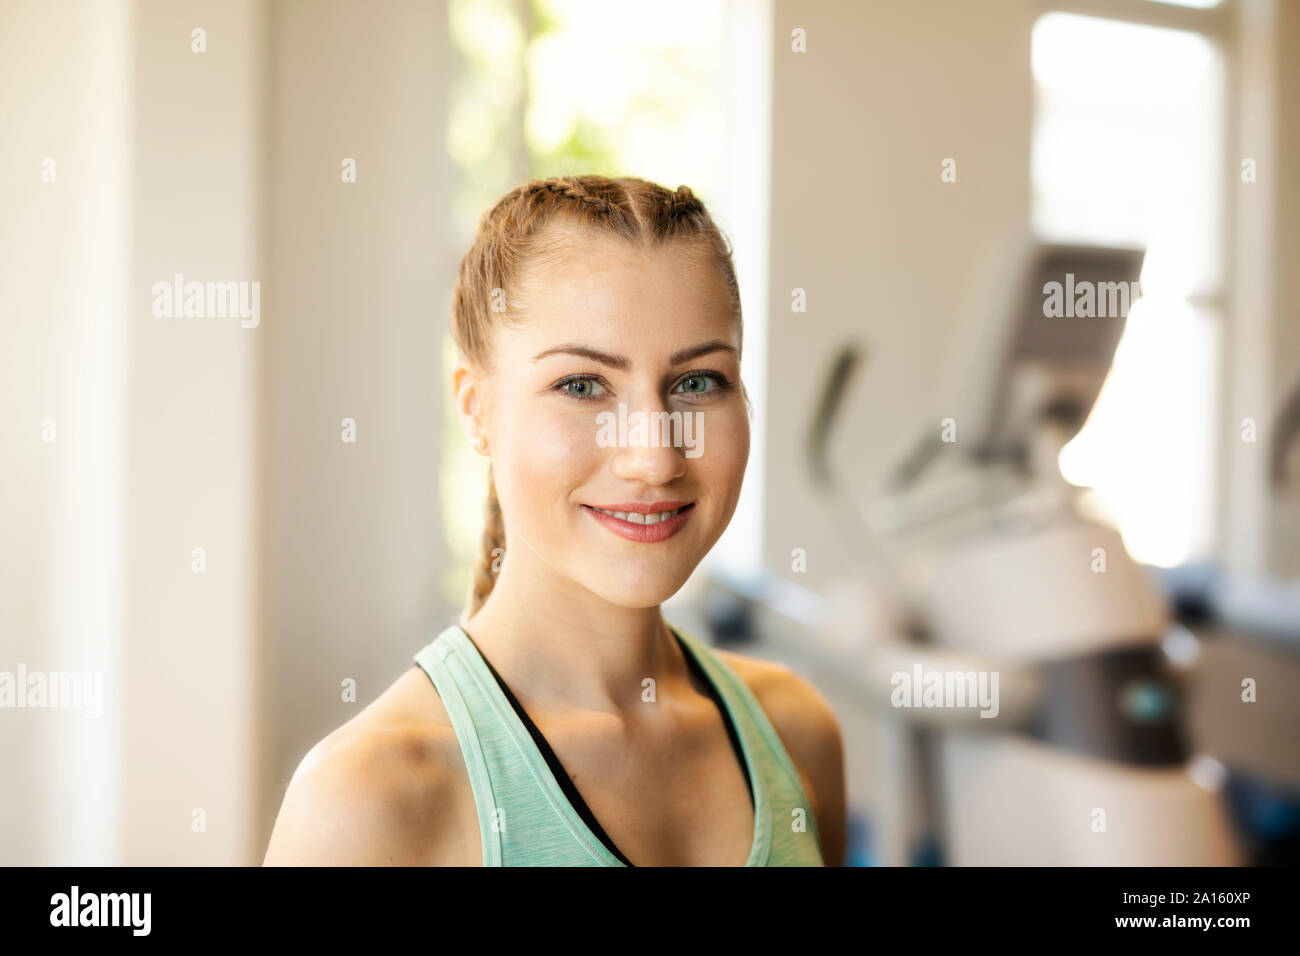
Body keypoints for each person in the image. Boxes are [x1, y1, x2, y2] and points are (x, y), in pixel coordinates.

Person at [264, 175, 846, 866]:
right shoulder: (369, 799)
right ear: (477, 409)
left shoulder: (796, 733)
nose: (654, 457)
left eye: (696, 382)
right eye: (582, 386)